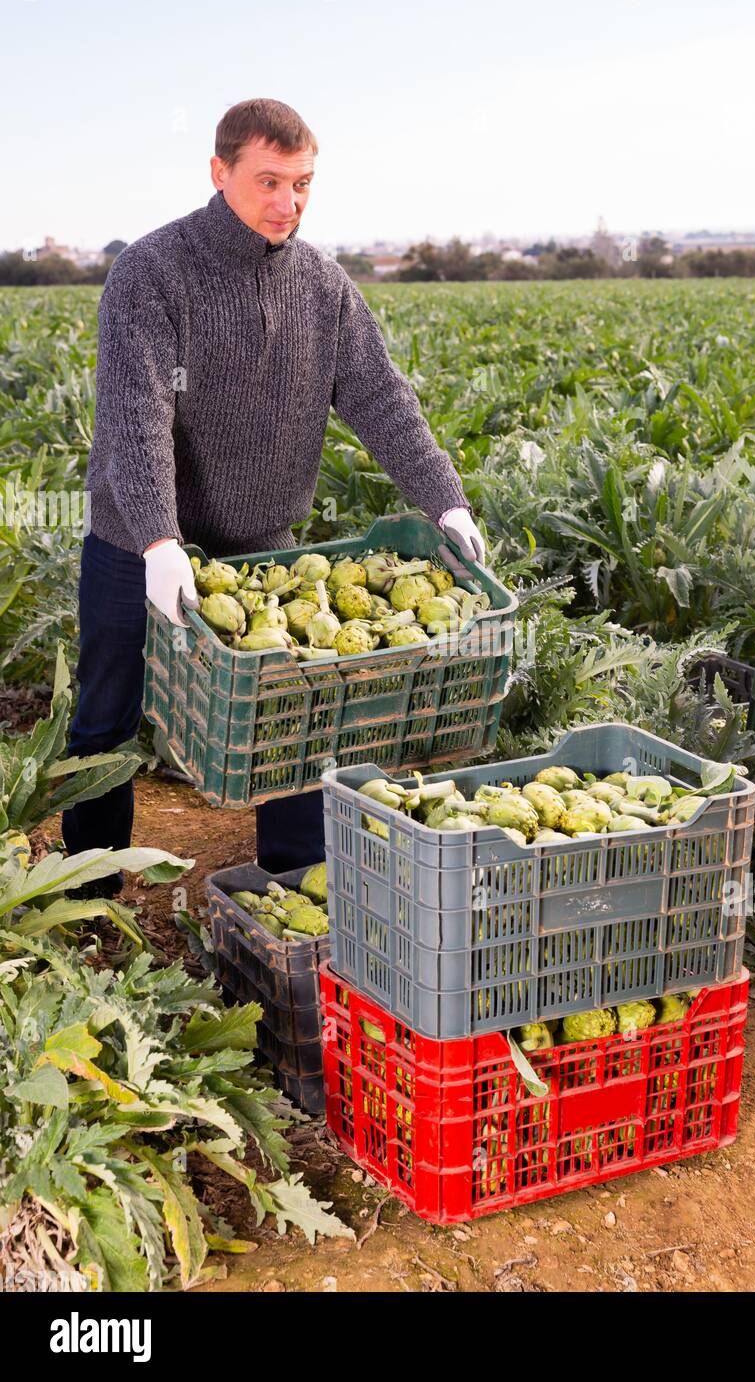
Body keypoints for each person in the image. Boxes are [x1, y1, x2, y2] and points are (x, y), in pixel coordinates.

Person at [62, 97, 485, 894]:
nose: (287, 202)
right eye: (268, 181)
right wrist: (159, 538)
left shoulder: (323, 287)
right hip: (134, 545)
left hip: (263, 548)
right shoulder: (153, 272)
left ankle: (296, 883)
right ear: (219, 173)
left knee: (293, 718)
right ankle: (89, 893)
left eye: (302, 184)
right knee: (105, 720)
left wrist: (444, 501)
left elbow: (380, 398)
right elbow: (136, 413)